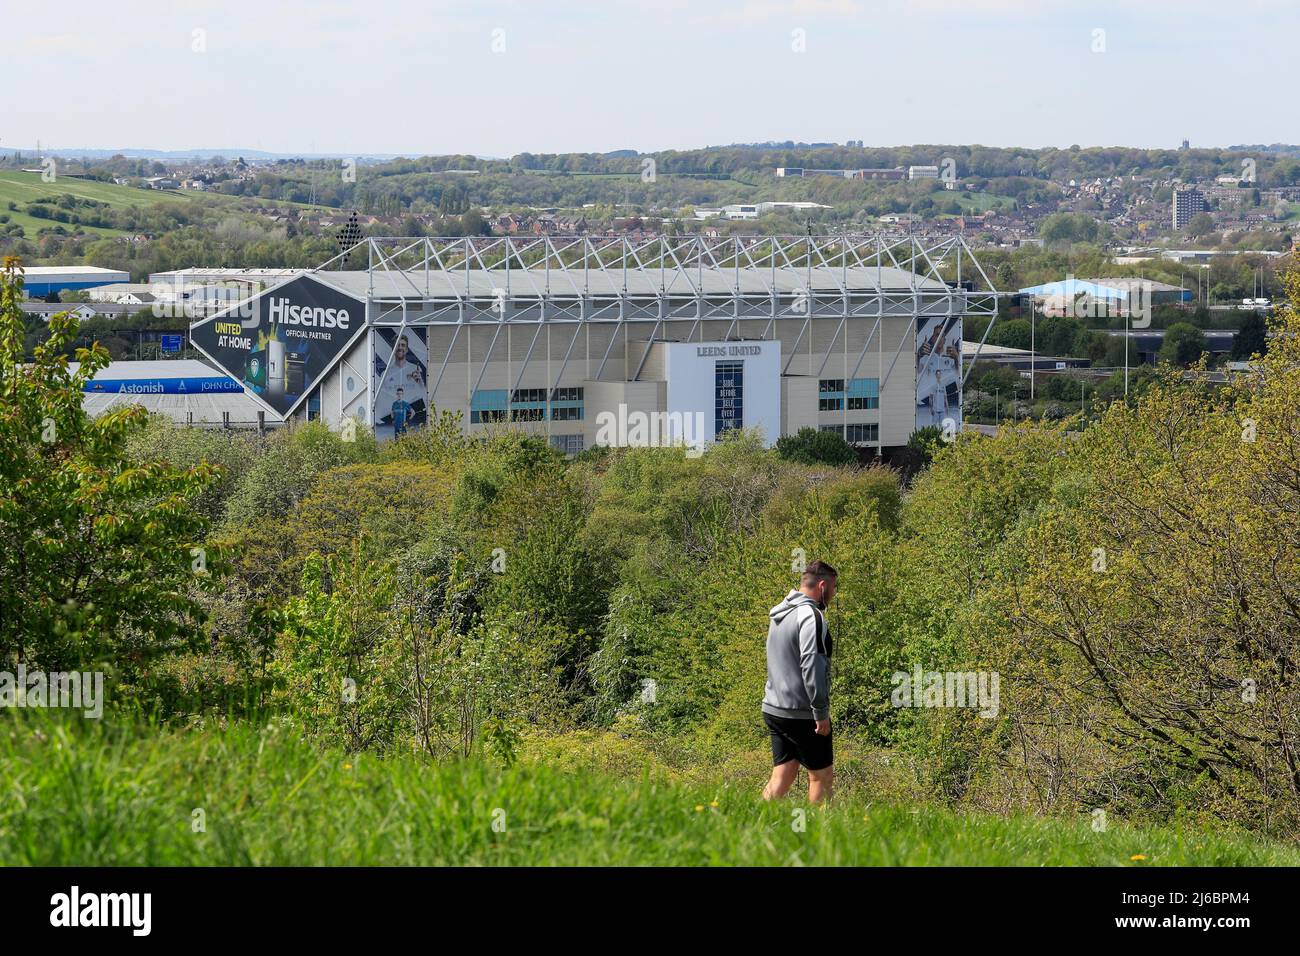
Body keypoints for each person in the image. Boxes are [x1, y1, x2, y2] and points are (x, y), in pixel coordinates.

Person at [761, 560, 837, 803]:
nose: (834, 594)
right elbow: (811, 664)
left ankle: (753, 823)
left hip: (774, 707)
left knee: (784, 772)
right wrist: (820, 713)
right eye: (834, 588)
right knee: (821, 776)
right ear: (822, 586)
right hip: (801, 713)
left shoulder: (778, 614)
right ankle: (817, 837)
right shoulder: (811, 616)